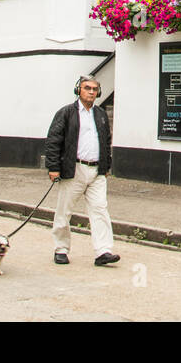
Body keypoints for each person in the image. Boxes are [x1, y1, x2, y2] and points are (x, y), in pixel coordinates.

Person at [44, 76, 118, 266]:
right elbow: (53, 140)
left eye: (95, 89)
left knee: (100, 210)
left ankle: (103, 251)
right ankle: (61, 249)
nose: (91, 92)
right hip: (73, 169)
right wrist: (53, 167)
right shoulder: (66, 113)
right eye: (87, 88)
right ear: (79, 90)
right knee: (64, 211)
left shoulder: (100, 114)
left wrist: (106, 165)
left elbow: (106, 141)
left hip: (96, 171)